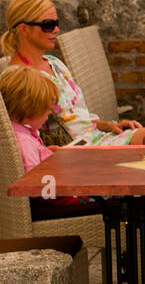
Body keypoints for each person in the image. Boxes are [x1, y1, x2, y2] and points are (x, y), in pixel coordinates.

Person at [1, 0, 145, 146]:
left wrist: (108, 125)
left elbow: (78, 117)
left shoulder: (55, 63)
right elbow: (26, 139)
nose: (56, 29)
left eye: (56, 23)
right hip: (77, 153)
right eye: (48, 25)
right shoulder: (18, 79)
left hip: (96, 138)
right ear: (24, 29)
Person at [1, 63, 93, 215]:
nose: (49, 114)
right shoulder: (23, 142)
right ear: (30, 108)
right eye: (47, 108)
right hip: (63, 204)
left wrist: (48, 157)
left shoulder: (18, 132)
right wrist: (61, 173)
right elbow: (36, 188)